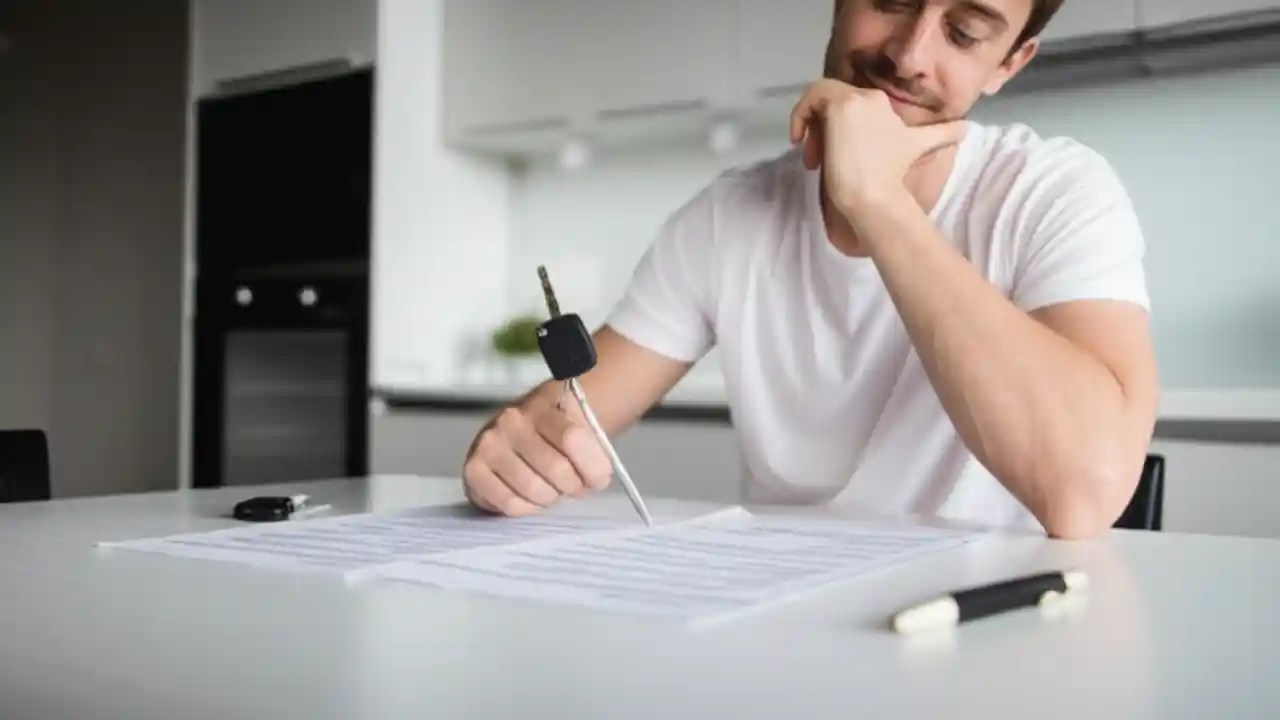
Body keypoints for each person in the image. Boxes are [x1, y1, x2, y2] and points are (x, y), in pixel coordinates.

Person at [461, 0, 1159, 539]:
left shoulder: (1055, 191)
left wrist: (877, 201)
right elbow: (567, 417)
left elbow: (1084, 493)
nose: (909, 54)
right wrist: (516, 452)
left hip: (986, 631)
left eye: (966, 32)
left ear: (1009, 61)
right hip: (784, 619)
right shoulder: (728, 216)